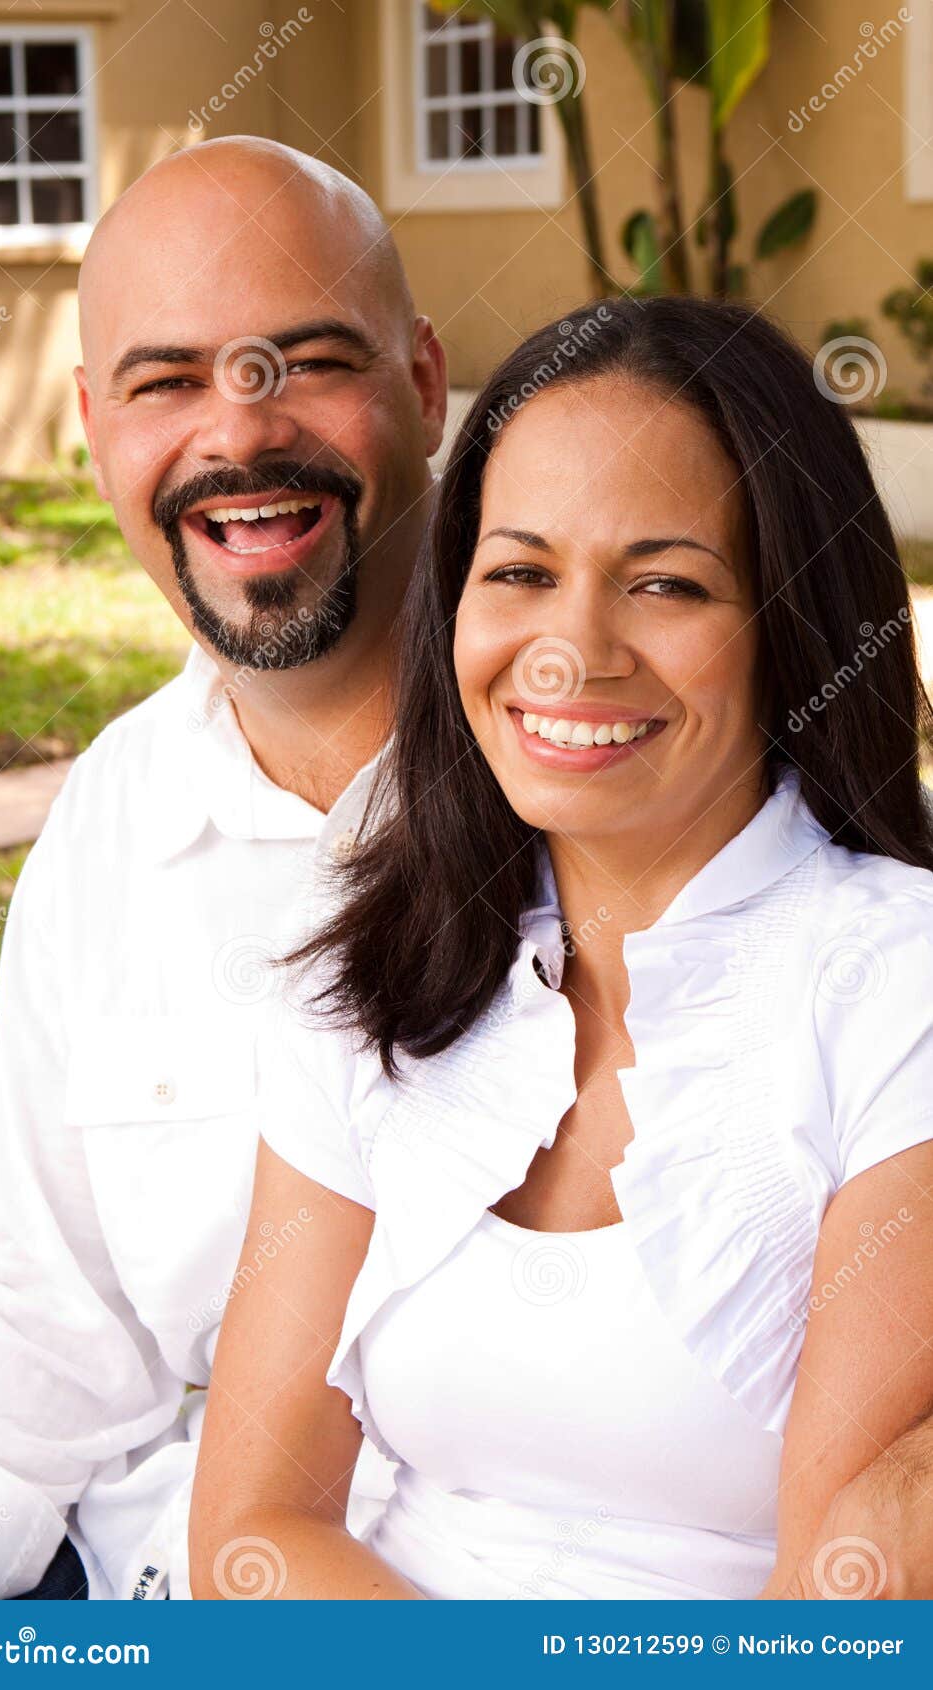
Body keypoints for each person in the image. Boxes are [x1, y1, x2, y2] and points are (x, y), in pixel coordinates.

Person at [189, 296, 933, 1602]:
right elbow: (252, 1535)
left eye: (666, 582)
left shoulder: (896, 990)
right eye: (522, 571)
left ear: (789, 622)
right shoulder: (364, 971)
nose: (573, 652)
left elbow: (843, 1612)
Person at [0, 136, 447, 1599]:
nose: (238, 438)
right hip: (149, 1592)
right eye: (165, 380)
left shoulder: (606, 775)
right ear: (90, 424)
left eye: (308, 360)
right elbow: (30, 1306)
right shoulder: (117, 810)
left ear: (426, 383)